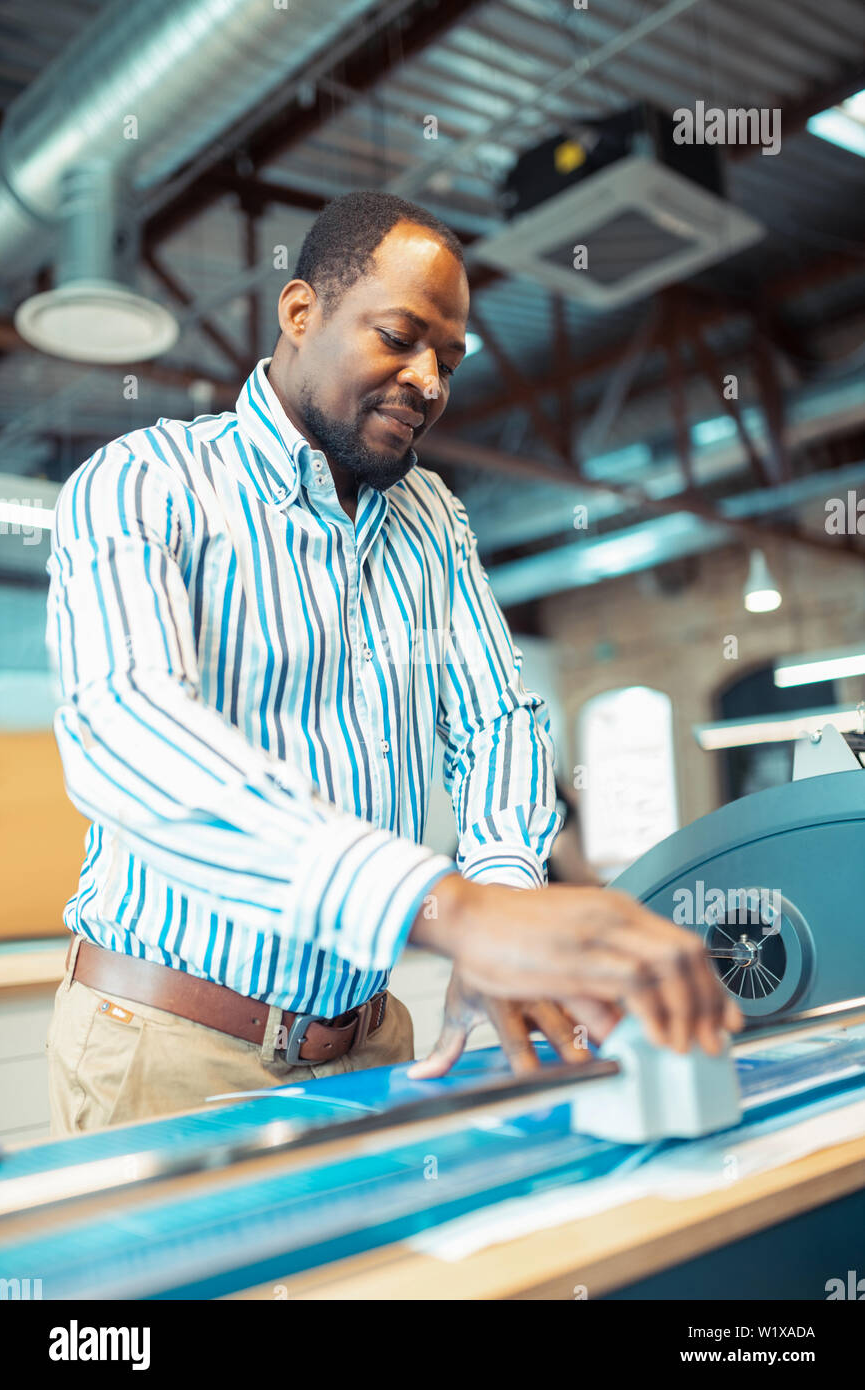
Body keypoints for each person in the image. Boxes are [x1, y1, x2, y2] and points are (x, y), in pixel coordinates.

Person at [45, 190, 742, 1134]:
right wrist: (445, 907)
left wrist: (500, 903)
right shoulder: (146, 482)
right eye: (400, 336)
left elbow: (497, 720)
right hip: (168, 1047)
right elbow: (127, 729)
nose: (429, 381)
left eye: (448, 359)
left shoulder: (431, 516)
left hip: (375, 1044)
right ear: (302, 313)